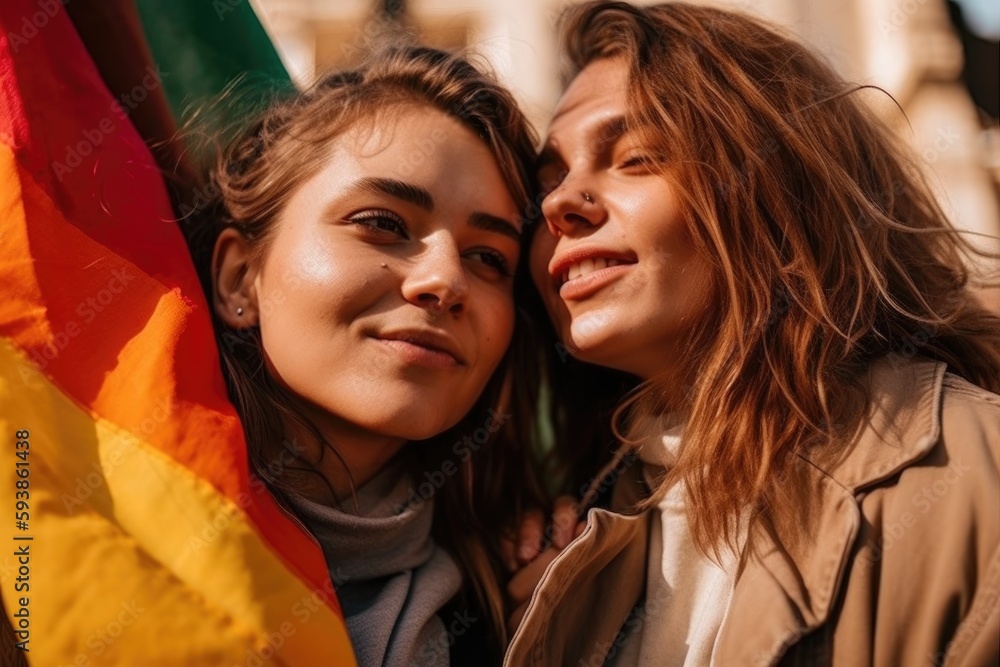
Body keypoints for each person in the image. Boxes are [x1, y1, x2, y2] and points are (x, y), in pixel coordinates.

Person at [505, 2, 1000, 666]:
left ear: (779, 183)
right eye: (548, 184)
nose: (563, 202)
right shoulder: (566, 534)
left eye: (636, 157)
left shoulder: (975, 480)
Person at [193, 45, 542, 666]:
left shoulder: (531, 606)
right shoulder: (50, 532)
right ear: (240, 279)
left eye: (489, 258)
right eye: (382, 222)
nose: (446, 281)